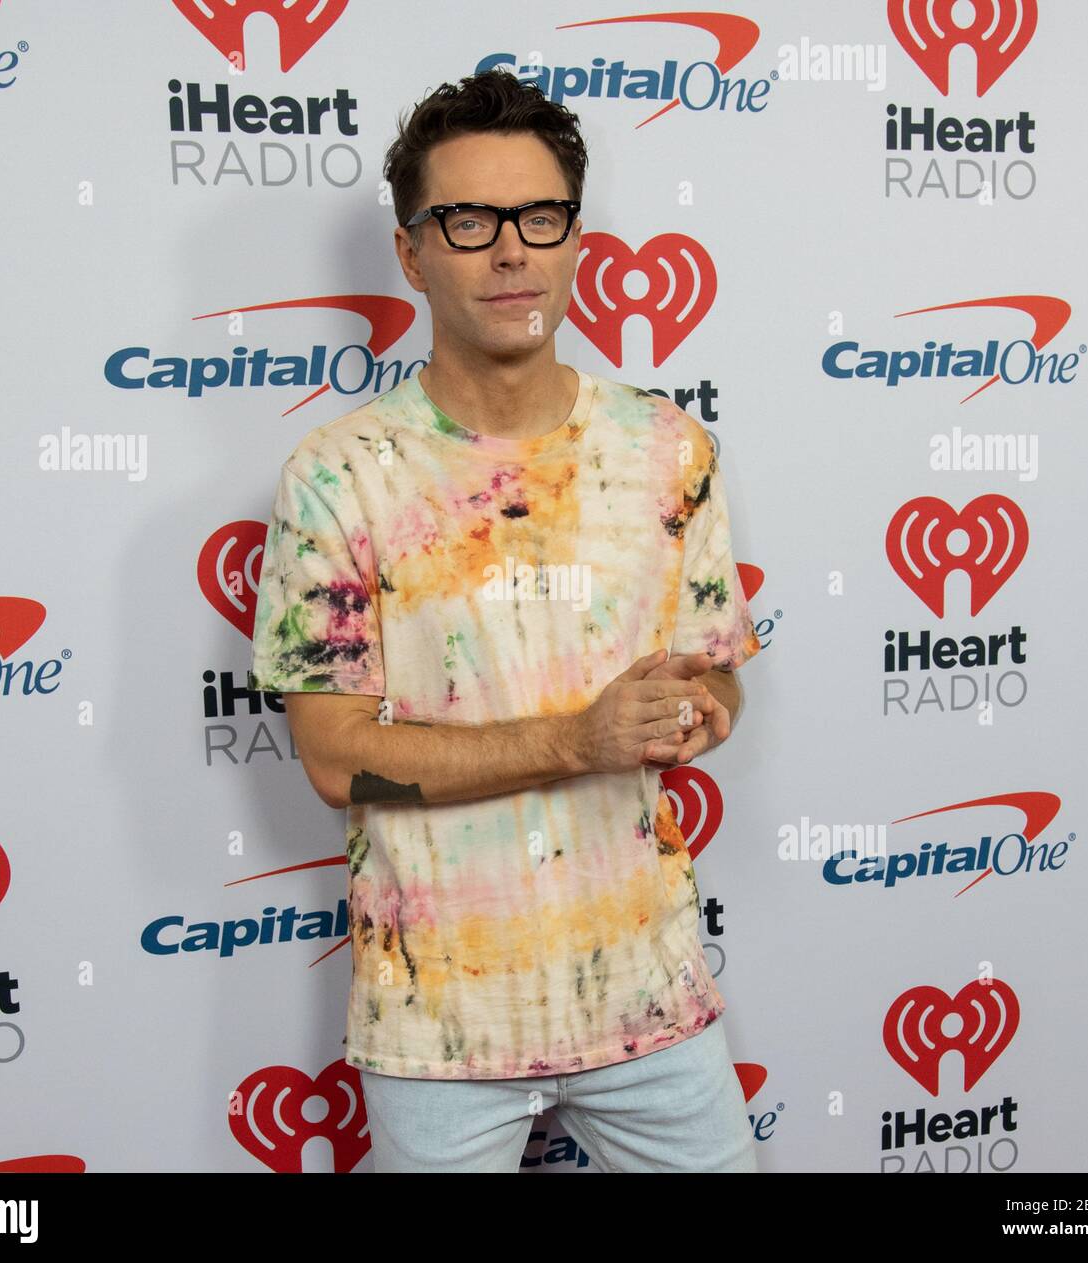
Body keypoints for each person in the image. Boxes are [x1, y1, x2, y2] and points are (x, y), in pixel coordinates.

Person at [248, 68, 762, 1173]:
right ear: (411, 252)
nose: (510, 251)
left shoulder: (669, 449)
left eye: (539, 217)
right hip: (438, 1016)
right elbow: (337, 762)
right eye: (468, 221)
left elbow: (718, 673)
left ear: (576, 238)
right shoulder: (339, 475)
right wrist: (576, 741)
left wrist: (699, 708)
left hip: (648, 990)